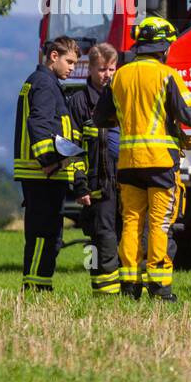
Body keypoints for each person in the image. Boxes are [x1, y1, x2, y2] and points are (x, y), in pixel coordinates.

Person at [95, 16, 191, 302]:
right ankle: (160, 287)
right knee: (159, 224)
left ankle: (130, 284)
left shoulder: (119, 75)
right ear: (164, 48)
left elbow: (100, 117)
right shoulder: (166, 75)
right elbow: (190, 115)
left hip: (128, 162)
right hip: (159, 162)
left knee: (131, 222)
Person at [12, 37, 91, 292]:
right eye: (69, 61)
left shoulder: (46, 83)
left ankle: (41, 285)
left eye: (75, 63)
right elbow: (39, 123)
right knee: (41, 234)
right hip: (42, 175)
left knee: (50, 235)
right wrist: (47, 161)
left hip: (47, 175)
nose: (72, 68)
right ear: (53, 56)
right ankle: (34, 286)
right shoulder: (45, 84)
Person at [66, 43, 121, 295]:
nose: (107, 74)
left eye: (111, 69)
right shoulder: (80, 101)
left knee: (128, 233)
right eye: (101, 69)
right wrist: (80, 184)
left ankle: (129, 287)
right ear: (90, 69)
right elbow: (71, 147)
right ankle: (105, 291)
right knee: (102, 236)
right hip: (96, 183)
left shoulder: (122, 95)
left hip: (124, 179)